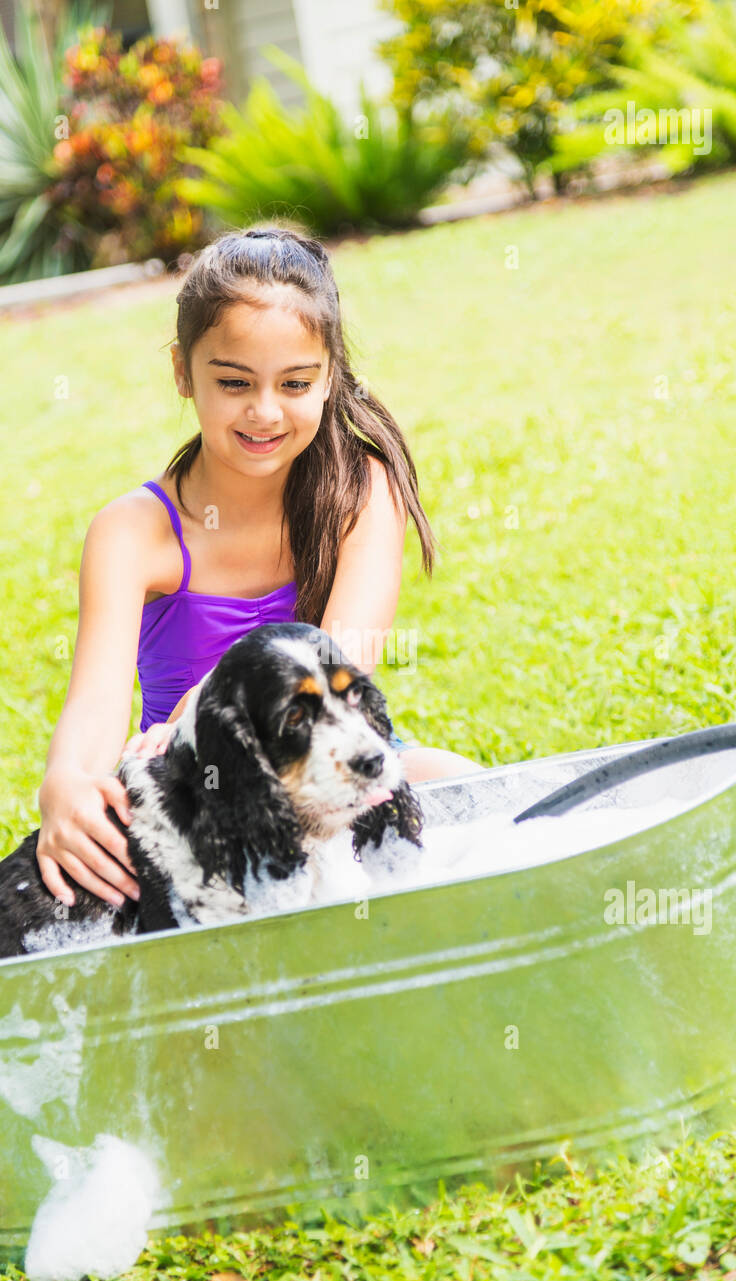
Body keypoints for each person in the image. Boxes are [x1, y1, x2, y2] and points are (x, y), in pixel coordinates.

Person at [36, 225, 481, 911]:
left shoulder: (361, 491)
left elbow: (341, 655)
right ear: (184, 372)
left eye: (296, 382)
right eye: (234, 381)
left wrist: (200, 702)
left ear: (330, 375)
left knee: (468, 790)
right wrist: (67, 780)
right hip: (200, 784)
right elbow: (96, 702)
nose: (266, 411)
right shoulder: (132, 532)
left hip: (330, 763)